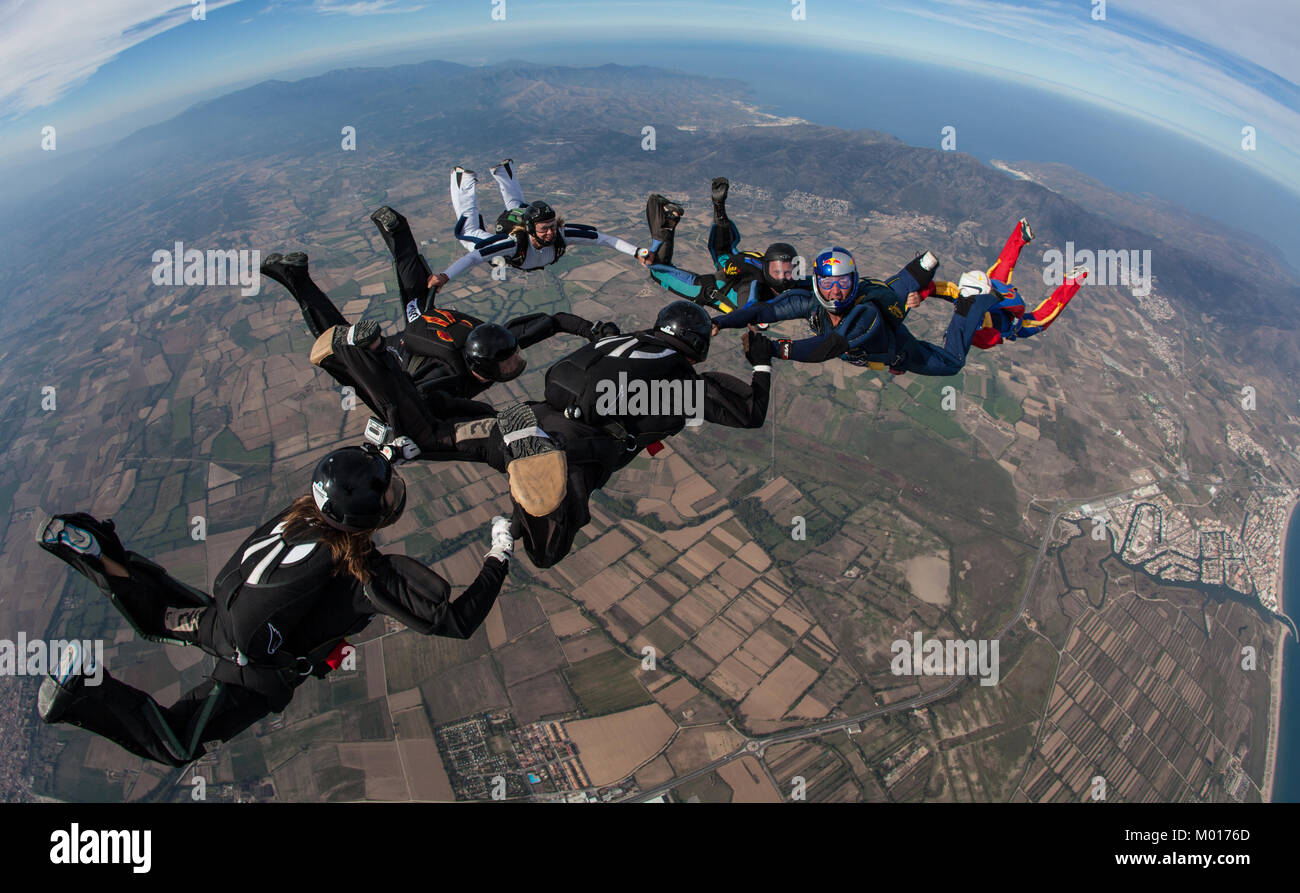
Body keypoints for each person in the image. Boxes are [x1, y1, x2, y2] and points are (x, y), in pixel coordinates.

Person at [35, 447, 514, 767]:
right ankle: (79, 692)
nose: (392, 495)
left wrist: (379, 456)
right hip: (253, 672)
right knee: (177, 744)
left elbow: (342, 482)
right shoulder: (363, 575)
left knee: (155, 616)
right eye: (386, 493)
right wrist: (498, 554)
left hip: (219, 618)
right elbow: (456, 620)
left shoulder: (302, 511)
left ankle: (91, 551)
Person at [320, 302, 772, 569]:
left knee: (434, 434)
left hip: (529, 415)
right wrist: (763, 361)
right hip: (575, 448)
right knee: (548, 549)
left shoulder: (619, 343)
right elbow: (750, 413)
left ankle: (369, 356)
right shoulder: (677, 378)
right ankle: (533, 474)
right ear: (696, 344)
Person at [260, 249, 619, 402]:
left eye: (512, 360)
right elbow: (404, 399)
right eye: (507, 365)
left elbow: (554, 321)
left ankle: (394, 232)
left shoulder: (499, 340)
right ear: (481, 367)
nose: (514, 365)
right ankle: (292, 277)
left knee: (412, 301)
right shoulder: (447, 376)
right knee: (344, 351)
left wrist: (592, 330)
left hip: (415, 339)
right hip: (399, 359)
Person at [713, 245, 1003, 377]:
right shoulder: (810, 301)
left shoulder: (866, 315)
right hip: (870, 350)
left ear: (853, 282)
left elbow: (828, 346)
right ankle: (924, 266)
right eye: (828, 283)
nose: (835, 291)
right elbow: (761, 311)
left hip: (898, 349)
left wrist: (775, 349)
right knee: (899, 286)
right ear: (817, 282)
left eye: (842, 282)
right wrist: (720, 322)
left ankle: (968, 300)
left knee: (952, 363)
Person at [432, 159, 651, 291]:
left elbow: (603, 239)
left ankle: (504, 171)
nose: (550, 233)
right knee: (467, 233)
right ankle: (463, 180)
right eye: (544, 229)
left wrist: (637, 252)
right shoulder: (511, 244)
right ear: (529, 229)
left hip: (520, 242)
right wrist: (445, 276)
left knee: (518, 206)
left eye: (552, 226)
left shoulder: (561, 235)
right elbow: (474, 257)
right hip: (507, 248)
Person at [917, 219, 1087, 348]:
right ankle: (1020, 235)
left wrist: (923, 292)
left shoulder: (975, 312)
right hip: (1000, 299)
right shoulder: (972, 302)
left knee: (1043, 319)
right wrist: (922, 292)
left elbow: (947, 290)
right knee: (1002, 267)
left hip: (1012, 317)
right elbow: (947, 289)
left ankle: (1074, 280)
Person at [644, 178, 806, 314]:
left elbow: (812, 281)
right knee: (657, 270)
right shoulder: (754, 284)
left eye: (788, 272)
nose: (783, 277)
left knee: (721, 250)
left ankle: (718, 208)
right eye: (777, 272)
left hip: (732, 265)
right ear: (767, 268)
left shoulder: (782, 275)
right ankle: (666, 222)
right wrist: (753, 319)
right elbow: (747, 307)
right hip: (714, 286)